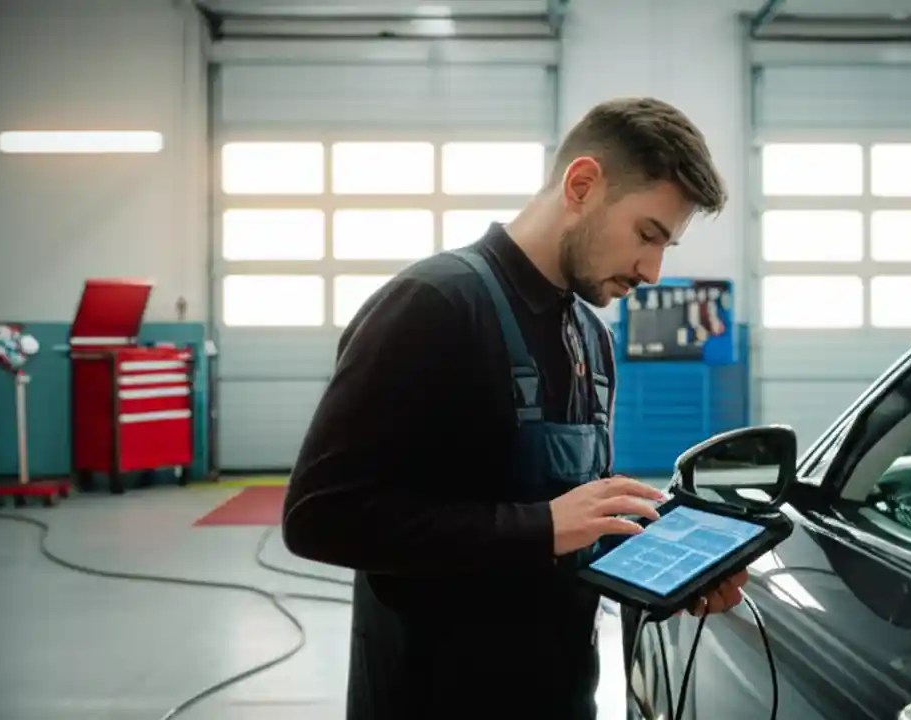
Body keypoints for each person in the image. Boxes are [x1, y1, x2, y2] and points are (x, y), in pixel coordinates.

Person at [281, 96, 745, 720]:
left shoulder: (590, 335)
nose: (654, 271)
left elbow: (570, 523)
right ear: (582, 185)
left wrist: (669, 562)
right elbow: (319, 517)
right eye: (647, 234)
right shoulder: (433, 306)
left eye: (667, 245)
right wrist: (540, 527)